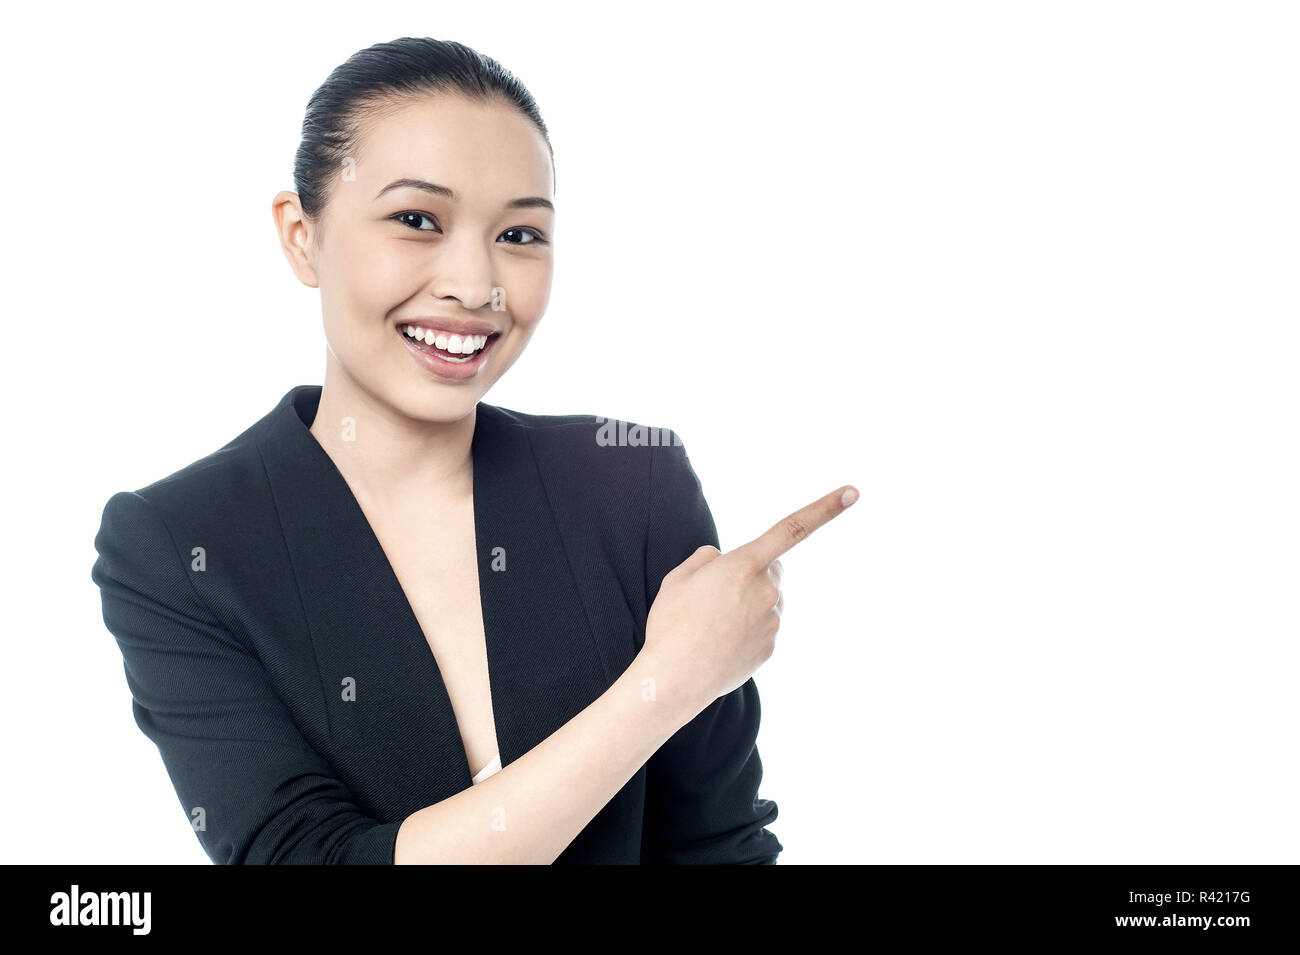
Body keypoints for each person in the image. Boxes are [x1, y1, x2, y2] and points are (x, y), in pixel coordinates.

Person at [91, 36, 857, 864]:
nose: (476, 283)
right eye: (417, 219)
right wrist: (669, 681)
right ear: (301, 235)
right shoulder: (179, 543)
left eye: (521, 235)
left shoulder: (632, 487)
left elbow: (718, 845)